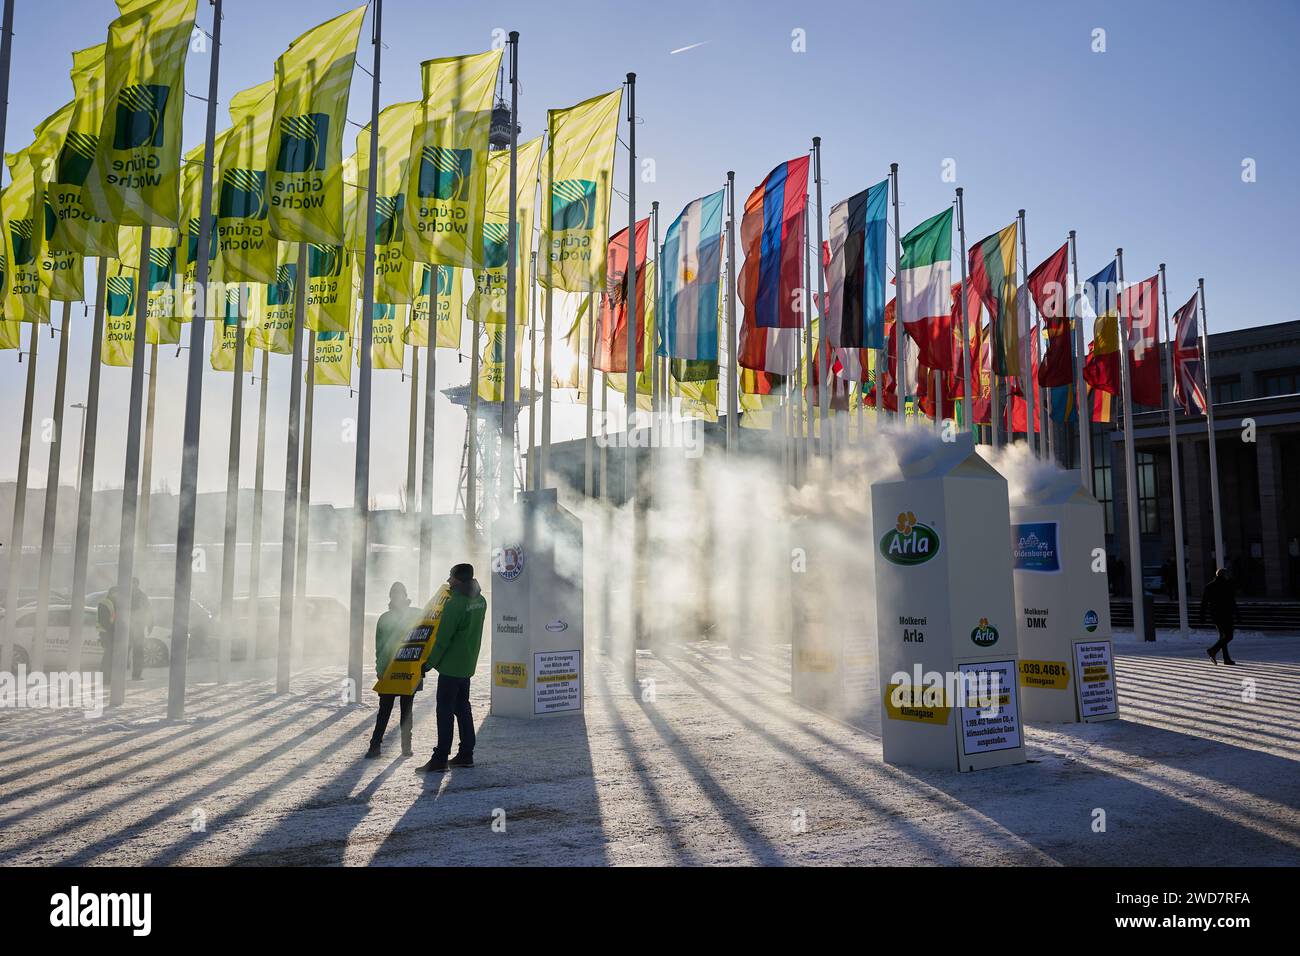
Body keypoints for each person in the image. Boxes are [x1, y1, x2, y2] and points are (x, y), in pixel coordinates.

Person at [416, 564, 487, 773]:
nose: (448, 581)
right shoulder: (481, 601)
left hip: (450, 667)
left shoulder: (455, 604)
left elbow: (442, 640)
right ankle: (466, 754)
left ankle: (440, 758)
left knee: (444, 711)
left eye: (451, 577)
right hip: (467, 664)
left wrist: (427, 664)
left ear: (458, 579)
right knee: (463, 709)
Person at [367, 582, 423, 759]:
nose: (396, 598)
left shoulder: (413, 615)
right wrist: (380, 668)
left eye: (399, 594)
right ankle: (378, 745)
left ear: (405, 595)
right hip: (399, 669)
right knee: (389, 709)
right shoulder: (410, 615)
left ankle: (399, 746)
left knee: (398, 710)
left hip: (405, 669)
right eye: (394, 595)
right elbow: (380, 646)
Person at [1201, 568, 1238, 665]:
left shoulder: (1209, 586)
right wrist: (1237, 614)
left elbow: (1204, 602)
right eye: (1227, 574)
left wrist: (1202, 615)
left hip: (1216, 615)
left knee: (1223, 636)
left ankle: (1226, 659)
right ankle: (1212, 650)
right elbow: (1232, 601)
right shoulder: (1228, 585)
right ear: (1224, 575)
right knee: (1228, 636)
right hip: (1226, 614)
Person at [128, 578, 152, 680]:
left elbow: (148, 611)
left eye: (134, 583)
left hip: (136, 627)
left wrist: (150, 624)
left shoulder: (141, 596)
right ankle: (132, 674)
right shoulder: (128, 595)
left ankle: (136, 675)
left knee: (137, 652)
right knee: (126, 650)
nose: (133, 586)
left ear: (137, 584)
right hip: (129, 627)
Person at [97, 587, 118, 684]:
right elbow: (104, 621)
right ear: (112, 593)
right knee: (108, 656)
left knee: (109, 656)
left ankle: (107, 678)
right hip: (107, 633)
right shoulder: (105, 603)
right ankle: (105, 678)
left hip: (110, 633)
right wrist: (113, 629)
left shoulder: (114, 603)